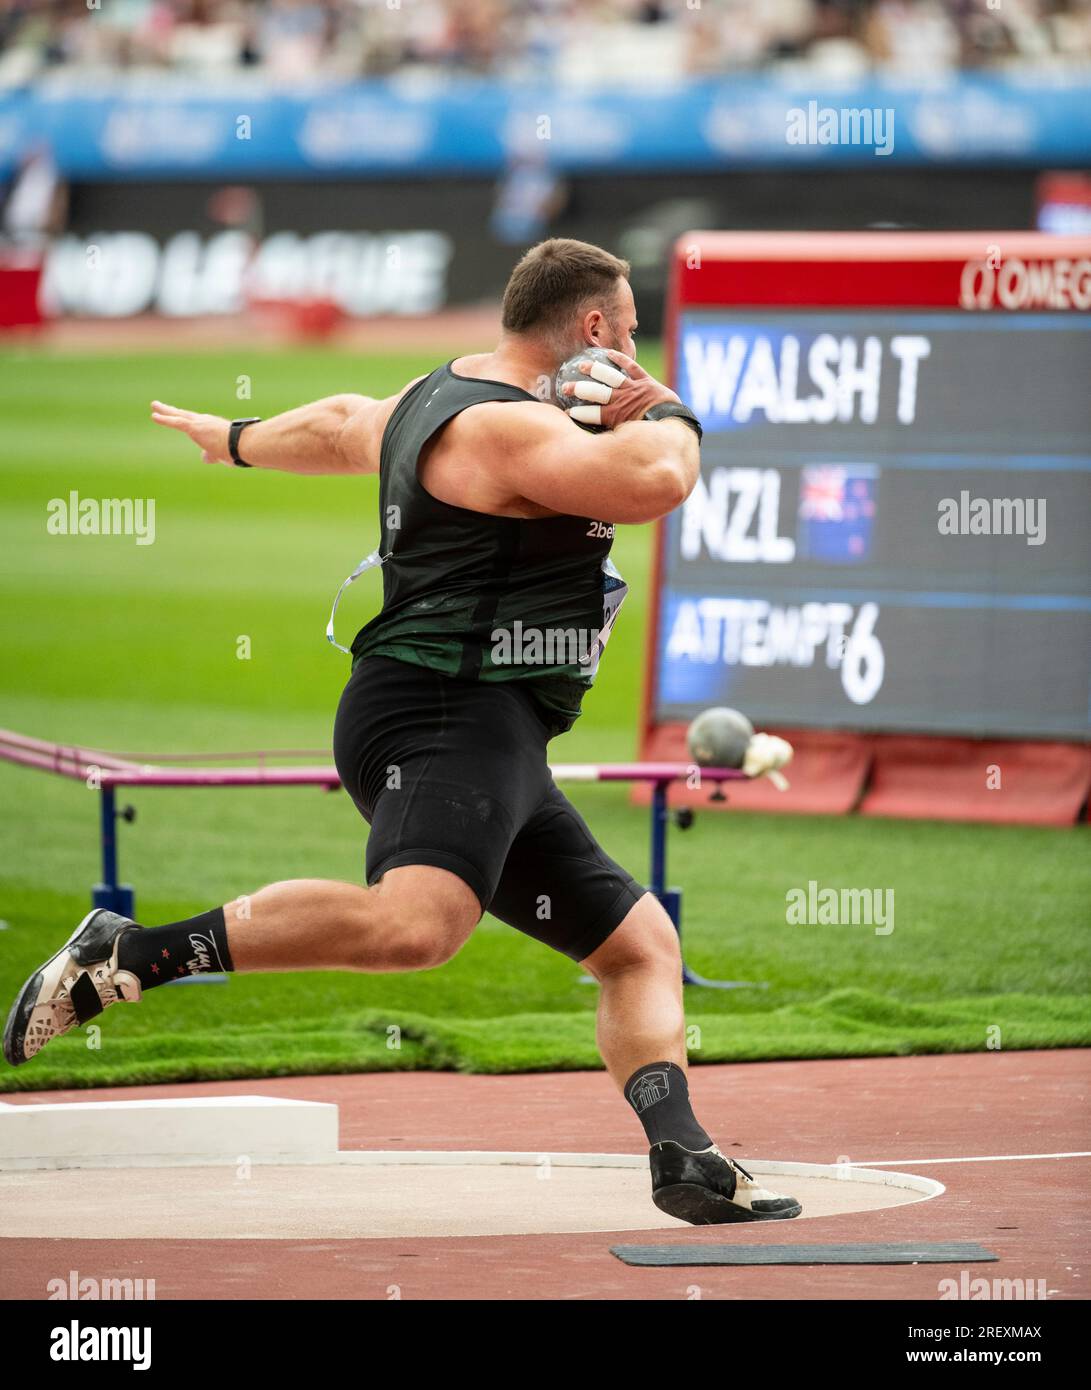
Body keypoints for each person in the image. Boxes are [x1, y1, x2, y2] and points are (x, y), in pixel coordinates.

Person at [4, 238, 800, 1224]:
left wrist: (238, 435)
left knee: (637, 946)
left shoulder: (435, 397)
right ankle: (128, 953)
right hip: (444, 711)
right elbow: (654, 483)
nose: (634, 352)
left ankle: (683, 1155)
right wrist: (669, 408)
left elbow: (342, 424)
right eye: (629, 335)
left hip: (485, 730)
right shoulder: (509, 430)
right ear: (591, 329)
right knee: (413, 928)